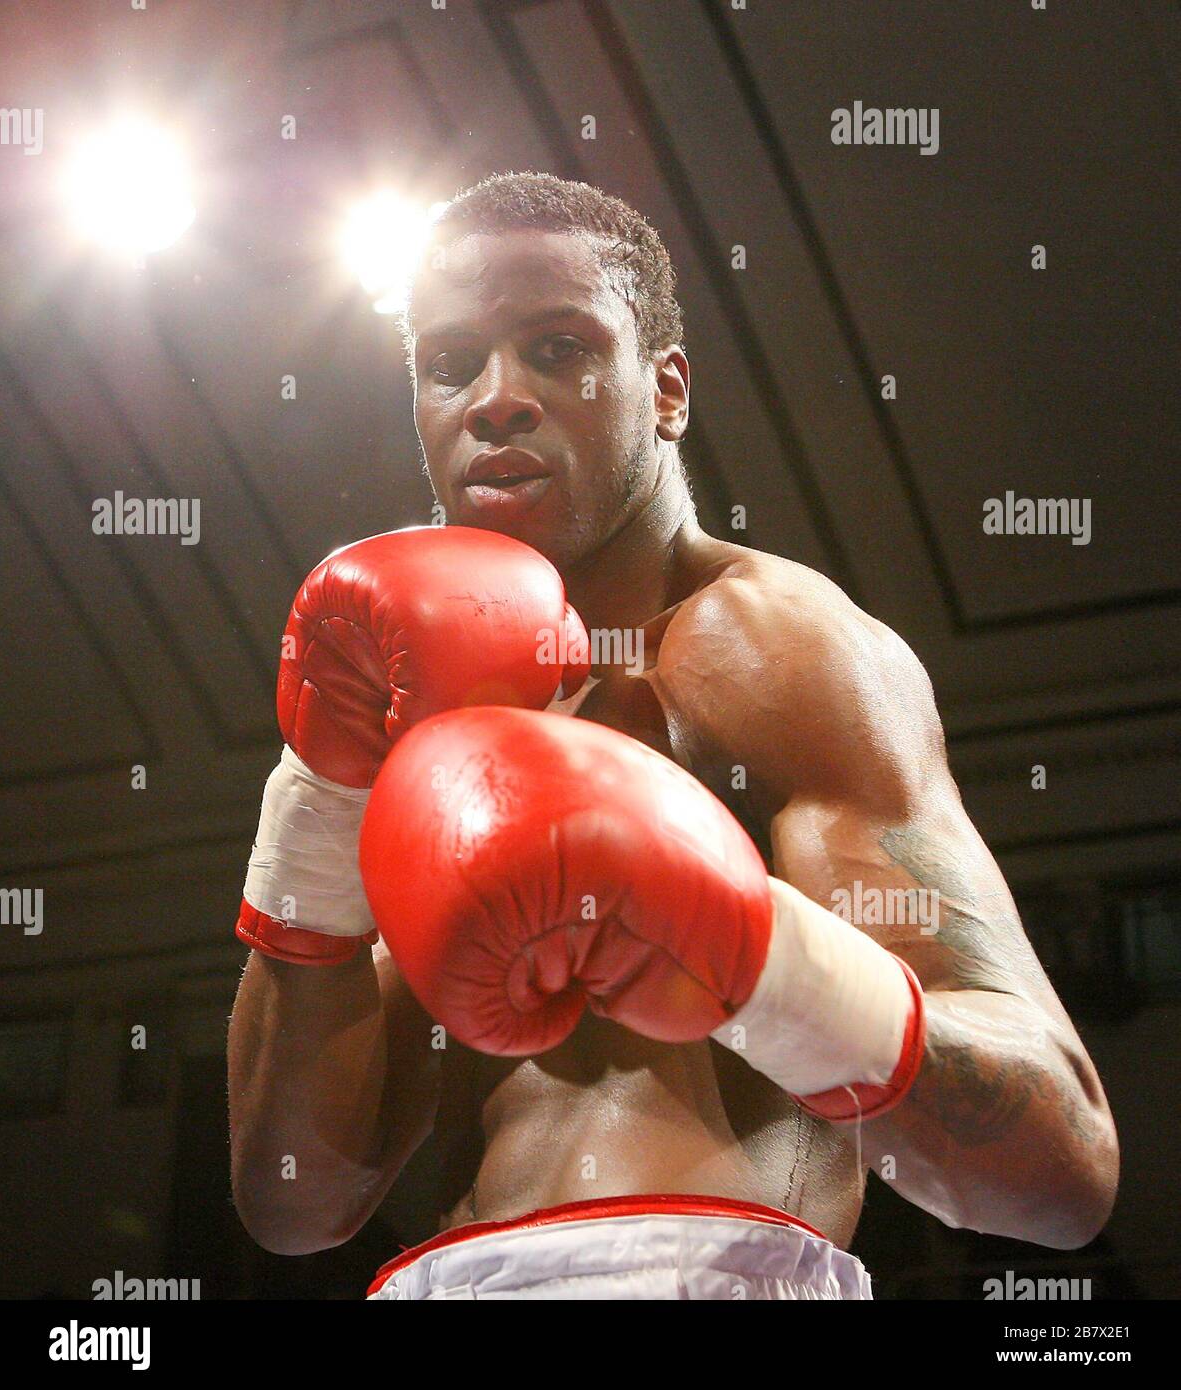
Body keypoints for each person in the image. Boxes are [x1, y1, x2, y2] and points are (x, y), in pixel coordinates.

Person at [228, 173, 1118, 1300]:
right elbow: (295, 1203)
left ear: (668, 390)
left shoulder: (777, 650)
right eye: (450, 365)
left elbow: (1063, 1166)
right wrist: (320, 792)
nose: (495, 399)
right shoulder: (408, 702)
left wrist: (750, 954)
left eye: (558, 348)